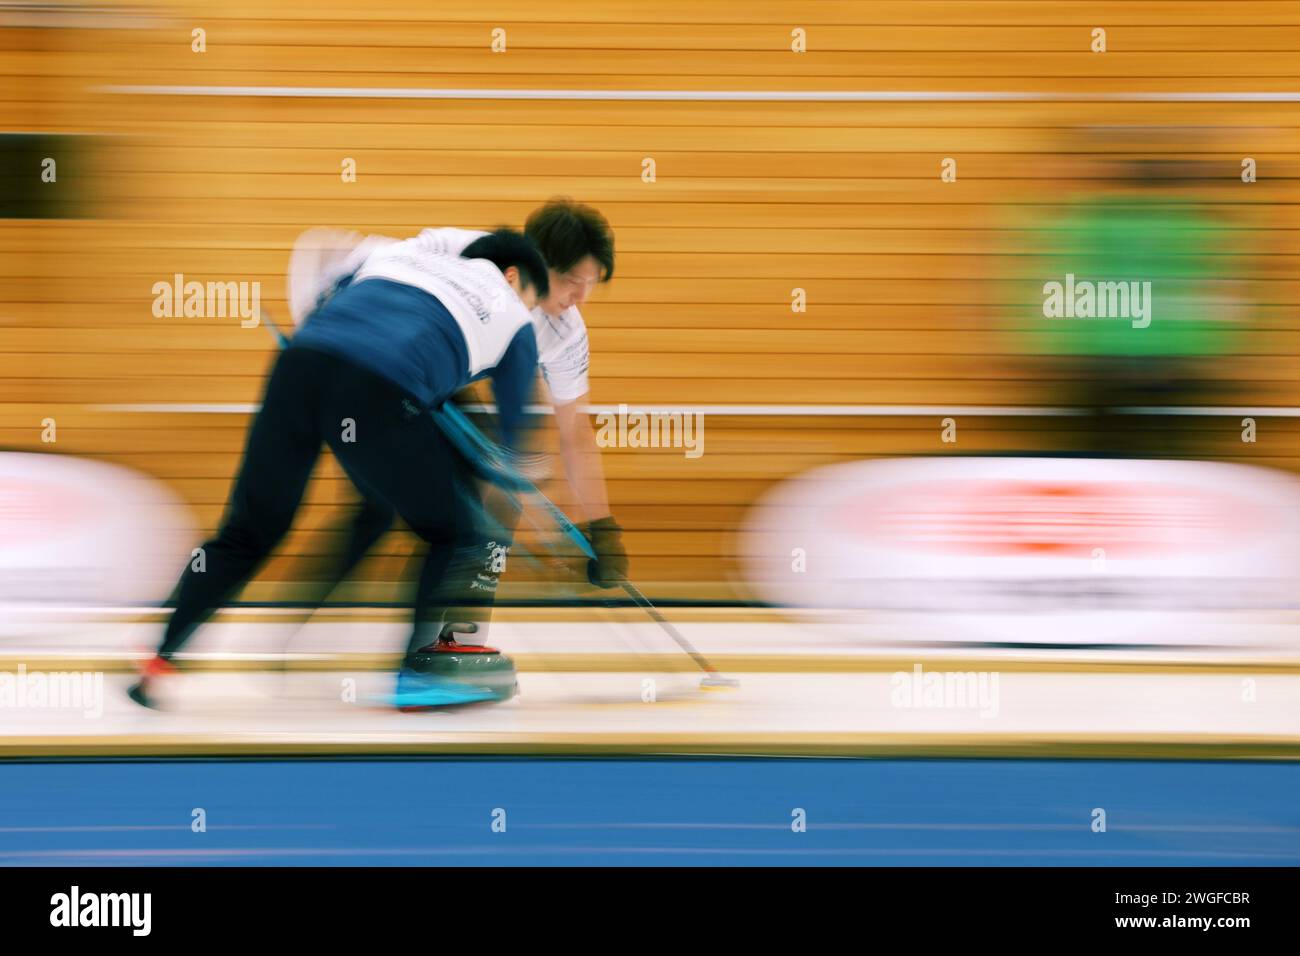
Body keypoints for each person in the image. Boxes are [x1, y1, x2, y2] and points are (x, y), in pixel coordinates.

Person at [129, 228, 550, 708]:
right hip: (379, 389)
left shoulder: (400, 256)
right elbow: (516, 446)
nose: (533, 308)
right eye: (534, 298)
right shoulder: (514, 315)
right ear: (514, 276)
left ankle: (159, 658)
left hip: (302, 365)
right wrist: (525, 476)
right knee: (456, 532)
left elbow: (324, 297)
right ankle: (420, 674)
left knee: (251, 528)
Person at [286, 200, 629, 664]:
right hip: (384, 365)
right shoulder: (458, 251)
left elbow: (575, 434)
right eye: (573, 281)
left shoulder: (564, 331)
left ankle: (457, 638)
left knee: (497, 497)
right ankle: (301, 616)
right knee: (381, 508)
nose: (580, 298)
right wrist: (319, 326)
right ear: (539, 263)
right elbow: (352, 264)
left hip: (440, 380)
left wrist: (601, 527)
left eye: (590, 286)